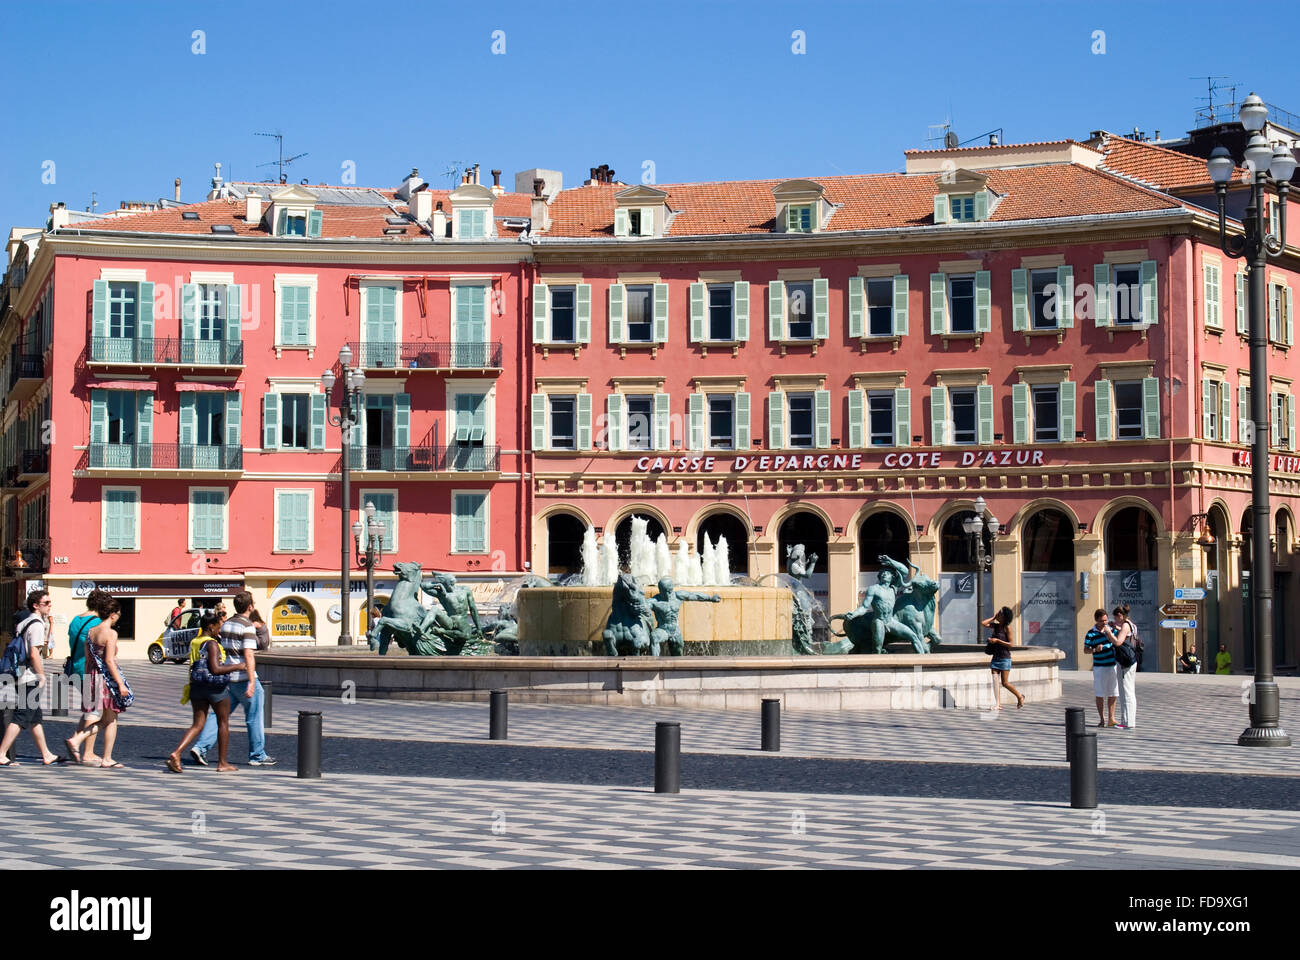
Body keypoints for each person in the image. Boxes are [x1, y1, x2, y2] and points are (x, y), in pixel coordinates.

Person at [191, 591, 275, 767]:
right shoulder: (247, 626)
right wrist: (252, 681)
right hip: (244, 676)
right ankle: (257, 754)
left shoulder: (227, 624)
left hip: (228, 677)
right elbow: (249, 655)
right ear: (250, 606)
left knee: (219, 715)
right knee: (254, 716)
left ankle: (201, 747)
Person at [166, 612, 243, 773]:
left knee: (197, 724)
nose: (219, 629)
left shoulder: (195, 641)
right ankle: (222, 763)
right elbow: (216, 669)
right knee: (223, 722)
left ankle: (177, 752)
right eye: (218, 626)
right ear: (211, 626)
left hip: (196, 686)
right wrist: (238, 666)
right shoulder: (212, 644)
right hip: (214, 688)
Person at [0, 590, 63, 765]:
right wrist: (41, 675)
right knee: (21, 716)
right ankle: (1, 752)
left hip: (21, 674)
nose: (50, 605)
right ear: (36, 605)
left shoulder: (24, 622)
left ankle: (46, 754)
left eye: (50, 602)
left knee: (35, 718)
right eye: (47, 603)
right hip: (29, 676)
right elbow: (34, 653)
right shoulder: (36, 624)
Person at [65, 600, 130, 768]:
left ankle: (77, 739)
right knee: (111, 718)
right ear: (112, 614)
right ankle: (106, 758)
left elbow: (88, 659)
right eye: (118, 615)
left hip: (92, 676)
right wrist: (120, 684)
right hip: (106, 679)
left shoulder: (91, 632)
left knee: (105, 718)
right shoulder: (111, 633)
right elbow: (109, 660)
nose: (118, 618)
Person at [64, 590, 111, 764]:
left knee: (88, 710)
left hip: (75, 667)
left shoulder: (75, 620)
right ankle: (88, 752)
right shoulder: (99, 623)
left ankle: (75, 744)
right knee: (95, 712)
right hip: (91, 671)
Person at [983, 605, 1024, 709]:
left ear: (1005, 617)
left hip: (1005, 658)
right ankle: (998, 704)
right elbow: (983, 623)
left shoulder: (1007, 628)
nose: (999, 615)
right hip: (995, 658)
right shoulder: (996, 626)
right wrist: (993, 617)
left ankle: (1019, 697)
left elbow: (1011, 644)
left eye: (1000, 614)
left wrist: (997, 641)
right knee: (995, 681)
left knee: (1005, 683)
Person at [1084, 607, 1118, 727]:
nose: (1104, 623)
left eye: (1105, 620)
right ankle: (1102, 719)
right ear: (1096, 620)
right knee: (1100, 693)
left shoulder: (1111, 630)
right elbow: (1085, 650)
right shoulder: (1090, 633)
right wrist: (1095, 649)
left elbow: (1117, 642)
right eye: (1102, 621)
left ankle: (1111, 718)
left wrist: (1110, 632)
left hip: (1112, 665)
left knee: (1113, 692)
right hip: (1099, 666)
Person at [1113, 605, 1137, 730]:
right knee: (1128, 691)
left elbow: (1118, 642)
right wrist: (1116, 627)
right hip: (1131, 660)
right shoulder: (1131, 624)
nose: (1115, 620)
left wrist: (1108, 633)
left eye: (1116, 617)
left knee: (1126, 692)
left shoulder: (1125, 625)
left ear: (1120, 616)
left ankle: (1128, 722)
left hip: (1125, 662)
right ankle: (1127, 720)